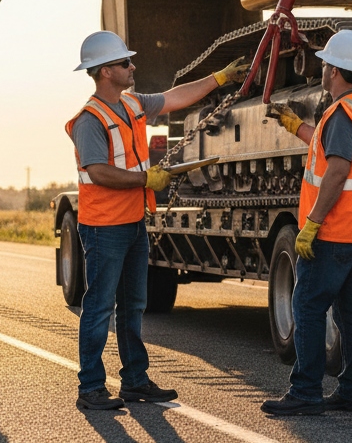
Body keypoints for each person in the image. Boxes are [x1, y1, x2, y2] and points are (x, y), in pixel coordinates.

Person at [66, 31, 248, 410]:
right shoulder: (89, 120)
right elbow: (99, 171)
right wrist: (144, 180)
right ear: (103, 72)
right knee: (99, 307)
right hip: (103, 228)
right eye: (123, 63)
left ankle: (134, 381)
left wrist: (220, 78)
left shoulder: (132, 103)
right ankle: (91, 389)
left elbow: (176, 96)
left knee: (133, 306)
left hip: (133, 223)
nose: (132, 66)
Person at [262, 29, 352, 415]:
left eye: (324, 63)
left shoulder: (340, 114)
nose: (321, 68)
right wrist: (295, 125)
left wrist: (312, 223)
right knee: (350, 311)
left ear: (334, 70)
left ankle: (305, 392)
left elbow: (336, 170)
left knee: (308, 306)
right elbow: (331, 144)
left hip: (334, 232)